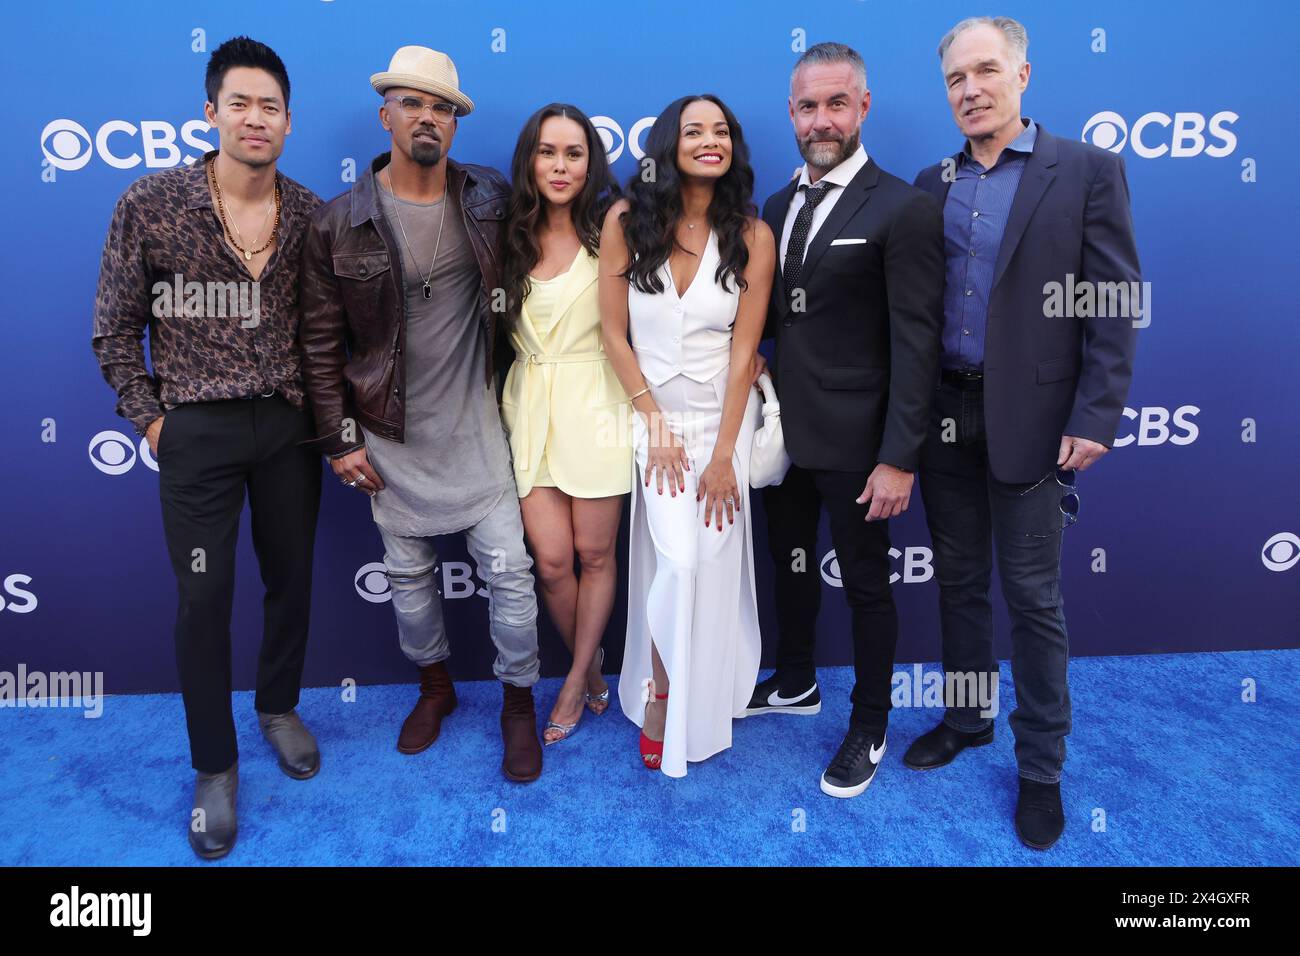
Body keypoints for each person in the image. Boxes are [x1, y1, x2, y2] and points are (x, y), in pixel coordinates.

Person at [907, 16, 1140, 850]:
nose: (970, 90)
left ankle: (1041, 767)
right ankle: (969, 718)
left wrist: (1095, 413)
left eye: (985, 71)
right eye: (955, 80)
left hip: (1037, 425)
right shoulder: (931, 184)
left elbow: (1113, 302)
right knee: (960, 584)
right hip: (945, 416)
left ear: (1023, 75)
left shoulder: (1085, 170)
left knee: (1034, 600)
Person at [91, 37, 323, 860]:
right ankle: (214, 765)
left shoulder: (310, 213)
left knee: (291, 578)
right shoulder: (151, 204)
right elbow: (115, 329)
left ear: (289, 123)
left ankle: (278, 705)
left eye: (270, 107)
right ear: (211, 113)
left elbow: (323, 331)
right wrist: (156, 422)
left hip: (289, 430)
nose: (255, 118)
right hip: (197, 431)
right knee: (203, 598)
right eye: (240, 103)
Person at [297, 46, 543, 782]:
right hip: (389, 438)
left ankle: (519, 705)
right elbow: (317, 342)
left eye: (442, 108)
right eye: (413, 103)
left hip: (478, 433)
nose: (428, 117)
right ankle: (434, 690)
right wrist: (340, 439)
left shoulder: (489, 199)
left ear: (455, 125)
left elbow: (564, 241)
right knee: (409, 581)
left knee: (511, 576)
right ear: (386, 116)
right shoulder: (339, 223)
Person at [746, 42, 945, 800]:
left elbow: (917, 344)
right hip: (785, 436)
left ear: (863, 108)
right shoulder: (775, 205)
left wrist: (899, 457)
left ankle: (870, 722)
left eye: (836, 104)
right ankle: (797, 679)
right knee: (789, 565)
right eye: (807, 106)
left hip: (863, 445)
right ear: (791, 115)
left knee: (866, 586)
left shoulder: (903, 206)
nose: (821, 119)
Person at [599, 94, 775, 777]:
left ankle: (705, 692)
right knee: (674, 561)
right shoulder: (626, 220)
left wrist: (725, 454)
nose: (710, 140)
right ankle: (663, 692)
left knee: (709, 567)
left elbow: (743, 355)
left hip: (721, 427)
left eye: (722, 130)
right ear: (669, 144)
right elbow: (613, 333)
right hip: (655, 424)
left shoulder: (752, 236)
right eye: (695, 130)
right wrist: (653, 422)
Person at [498, 104, 629, 744]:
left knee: (595, 553)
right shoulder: (506, 233)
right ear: (530, 160)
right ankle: (593, 660)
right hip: (528, 406)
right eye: (547, 152)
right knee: (551, 562)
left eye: (573, 153)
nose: (559, 165)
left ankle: (577, 679)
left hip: (599, 402)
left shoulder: (614, 228)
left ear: (590, 162)